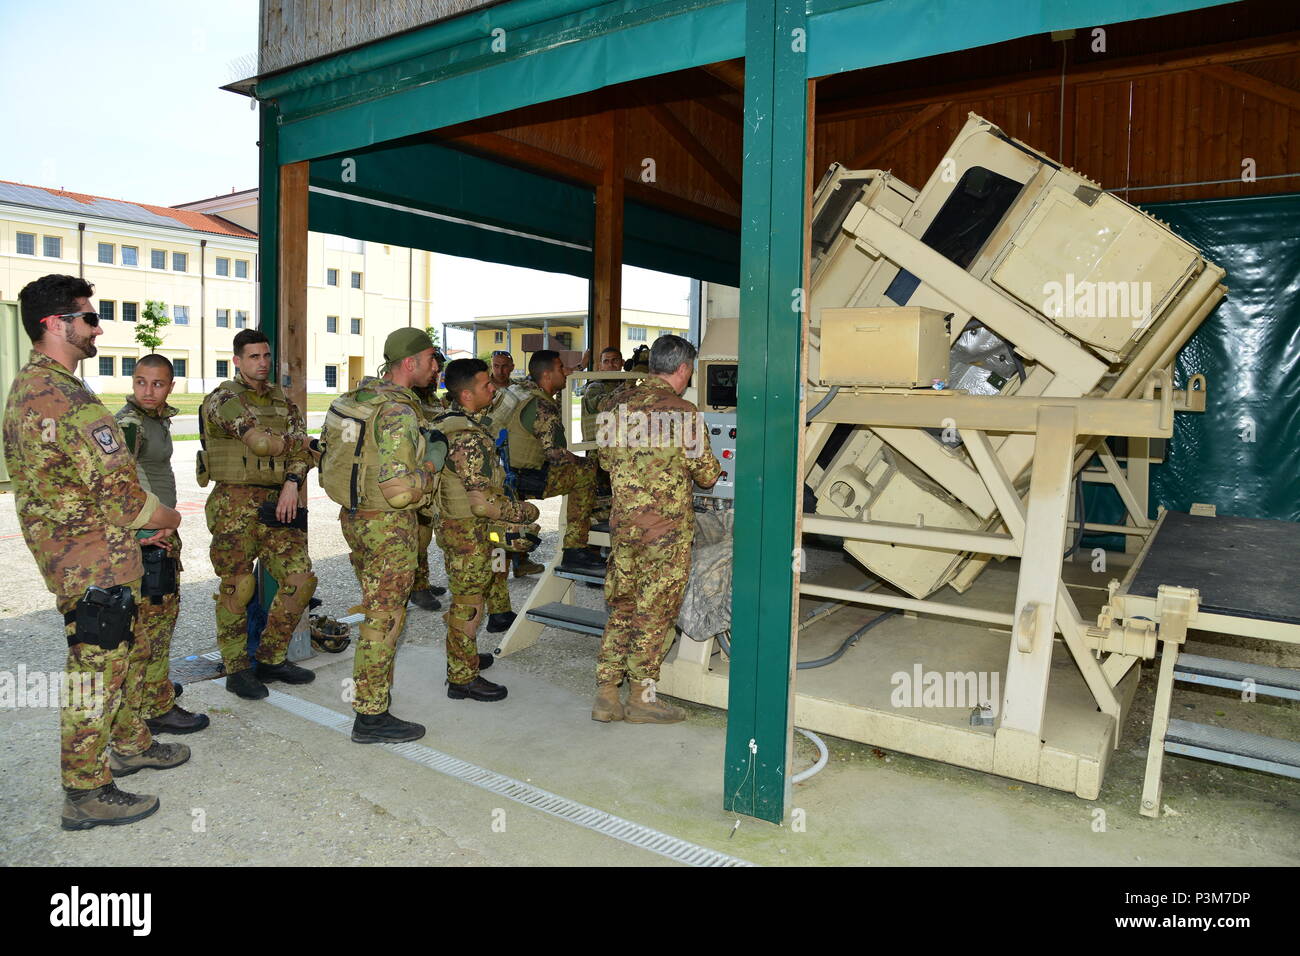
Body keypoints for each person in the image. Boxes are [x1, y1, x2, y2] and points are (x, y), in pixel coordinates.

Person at [3, 275, 188, 829]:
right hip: (91, 563)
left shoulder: (34, 387)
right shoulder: (60, 394)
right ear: (54, 324)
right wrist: (166, 520)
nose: (97, 326)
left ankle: (130, 743)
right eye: (88, 317)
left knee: (117, 659)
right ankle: (85, 793)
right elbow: (122, 493)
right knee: (95, 674)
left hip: (88, 551)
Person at [320, 329, 444, 742]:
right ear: (409, 362)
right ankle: (371, 715)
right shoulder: (397, 412)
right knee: (384, 619)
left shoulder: (357, 399)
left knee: (378, 611)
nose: (435, 366)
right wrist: (431, 463)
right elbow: (401, 490)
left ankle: (373, 704)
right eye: (430, 358)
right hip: (387, 526)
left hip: (356, 517)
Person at [592, 335, 720, 724]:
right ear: (682, 370)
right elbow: (709, 475)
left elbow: (603, 461)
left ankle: (605, 695)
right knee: (655, 614)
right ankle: (642, 699)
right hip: (664, 536)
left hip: (625, 529)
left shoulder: (612, 404)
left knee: (622, 606)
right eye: (691, 370)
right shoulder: (683, 413)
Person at [199, 329, 318, 700]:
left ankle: (270, 657)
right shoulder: (224, 399)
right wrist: (305, 444)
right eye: (253, 357)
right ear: (237, 360)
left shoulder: (284, 402)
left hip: (278, 501)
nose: (262, 363)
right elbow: (263, 442)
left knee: (300, 580)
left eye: (266, 355)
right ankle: (236, 668)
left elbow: (302, 453)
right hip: (234, 503)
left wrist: (292, 482)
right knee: (239, 586)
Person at [430, 358, 542, 702]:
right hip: (469, 530)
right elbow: (481, 502)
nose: (492, 388)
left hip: (455, 527)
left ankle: (463, 657)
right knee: (469, 604)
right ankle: (462, 679)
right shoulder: (466, 436)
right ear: (466, 395)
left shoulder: (446, 423)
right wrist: (524, 511)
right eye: (485, 385)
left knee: (468, 599)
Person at [114, 355, 210, 735]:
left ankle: (153, 690)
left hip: (160, 532)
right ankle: (155, 707)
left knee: (159, 619)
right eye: (141, 382)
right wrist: (145, 529)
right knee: (154, 623)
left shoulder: (155, 420)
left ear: (171, 386)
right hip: (150, 536)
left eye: (157, 384)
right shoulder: (130, 425)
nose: (148, 391)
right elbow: (123, 482)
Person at [489, 349, 603, 575]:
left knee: (498, 541)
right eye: (561, 368)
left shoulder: (516, 390)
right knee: (587, 471)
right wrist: (583, 461)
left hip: (496, 475)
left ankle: (498, 606)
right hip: (524, 478)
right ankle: (575, 549)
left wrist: (575, 368)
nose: (565, 373)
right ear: (548, 375)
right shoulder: (543, 408)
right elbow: (556, 455)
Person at [409, 347, 449, 611]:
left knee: (429, 530)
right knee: (419, 534)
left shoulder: (436, 399)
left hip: (436, 474)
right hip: (417, 473)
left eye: (439, 369)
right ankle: (416, 587)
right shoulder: (408, 399)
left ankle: (423, 580)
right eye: (433, 366)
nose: (435, 374)